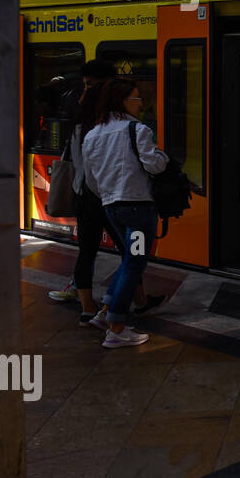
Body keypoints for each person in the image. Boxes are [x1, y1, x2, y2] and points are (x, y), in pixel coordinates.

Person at [50, 60, 162, 323]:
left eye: (90, 83)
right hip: (109, 198)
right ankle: (117, 313)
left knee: (97, 251)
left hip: (92, 195)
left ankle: (93, 307)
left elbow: (81, 160)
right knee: (130, 254)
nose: (86, 89)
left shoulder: (85, 119)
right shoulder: (114, 123)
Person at [80, 78, 168, 348]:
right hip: (138, 208)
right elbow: (154, 166)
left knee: (130, 259)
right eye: (137, 98)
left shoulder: (93, 134)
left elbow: (91, 180)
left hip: (112, 207)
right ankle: (116, 327)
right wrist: (164, 157)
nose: (140, 103)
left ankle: (105, 311)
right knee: (135, 263)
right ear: (124, 101)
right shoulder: (136, 130)